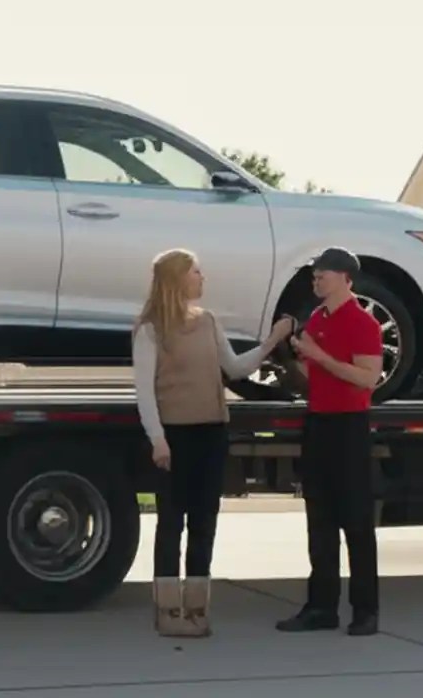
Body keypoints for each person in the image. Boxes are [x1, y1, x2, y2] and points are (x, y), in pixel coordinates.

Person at [133, 248, 294, 637]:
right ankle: (169, 610)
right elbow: (144, 391)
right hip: (174, 435)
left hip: (210, 433)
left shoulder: (208, 322)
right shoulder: (150, 328)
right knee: (172, 522)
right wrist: (158, 440)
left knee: (204, 520)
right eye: (196, 272)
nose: (202, 279)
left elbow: (235, 367)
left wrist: (273, 340)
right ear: (177, 280)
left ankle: (198, 608)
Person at [275, 246, 383, 637]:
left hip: (350, 425)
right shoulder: (317, 318)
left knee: (355, 521)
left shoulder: (363, 322)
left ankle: (365, 610)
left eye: (323, 274)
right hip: (318, 423)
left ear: (344, 278)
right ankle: (321, 607)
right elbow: (310, 373)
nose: (316, 280)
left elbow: (367, 378)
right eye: (315, 274)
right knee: (319, 520)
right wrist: (294, 357)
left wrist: (319, 356)